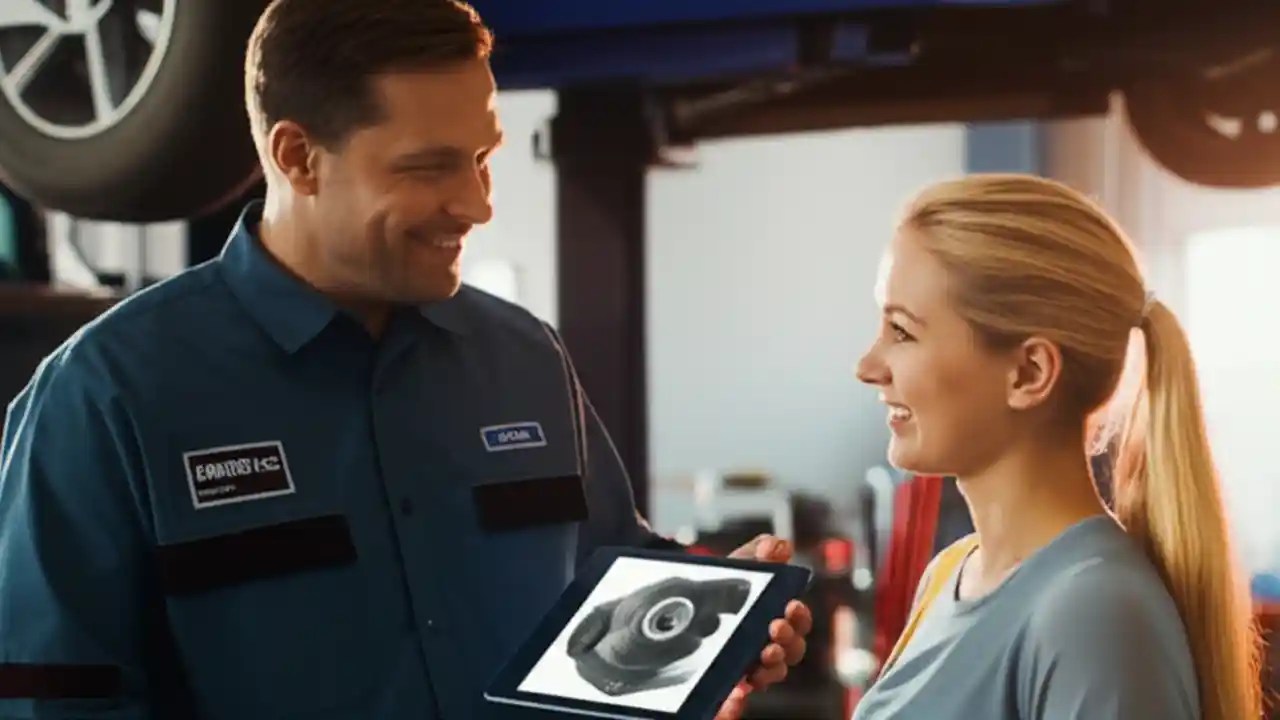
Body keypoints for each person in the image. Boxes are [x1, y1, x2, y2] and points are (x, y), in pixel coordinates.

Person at [0, 2, 811, 718]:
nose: (478, 203)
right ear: (298, 157)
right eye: (430, 167)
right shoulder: (107, 398)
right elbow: (54, 700)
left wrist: (713, 621)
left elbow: (601, 603)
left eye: (484, 157)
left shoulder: (524, 358)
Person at [851, 174, 1261, 720]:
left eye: (902, 331)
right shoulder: (950, 575)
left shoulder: (1093, 613)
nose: (868, 367)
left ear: (1028, 372)